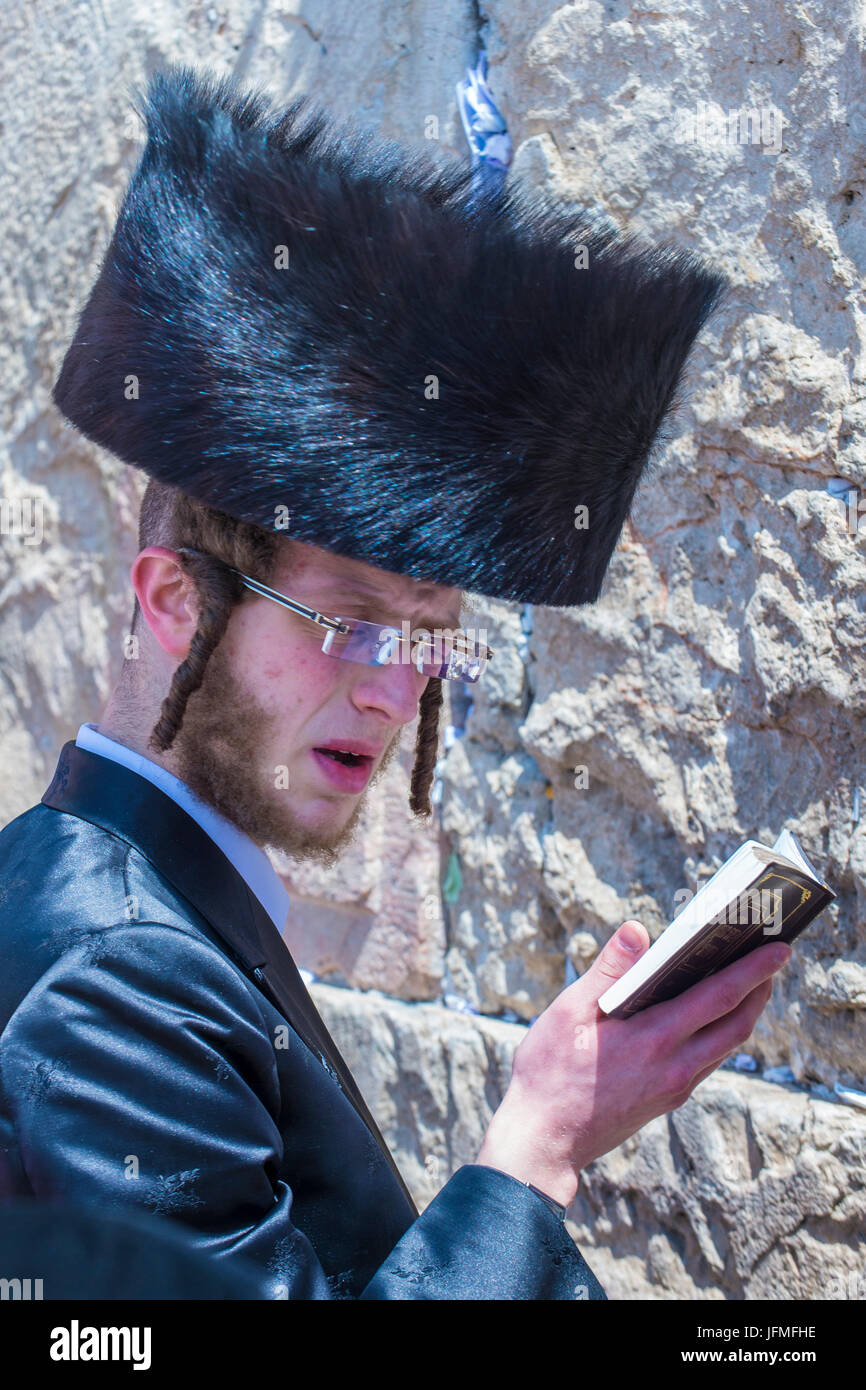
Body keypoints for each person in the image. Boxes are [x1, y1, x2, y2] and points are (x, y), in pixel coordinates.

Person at [0, 63, 788, 1300]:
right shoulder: (115, 974)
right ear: (172, 603)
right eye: (348, 621)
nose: (392, 691)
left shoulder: (121, 885)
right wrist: (537, 1151)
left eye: (425, 636)